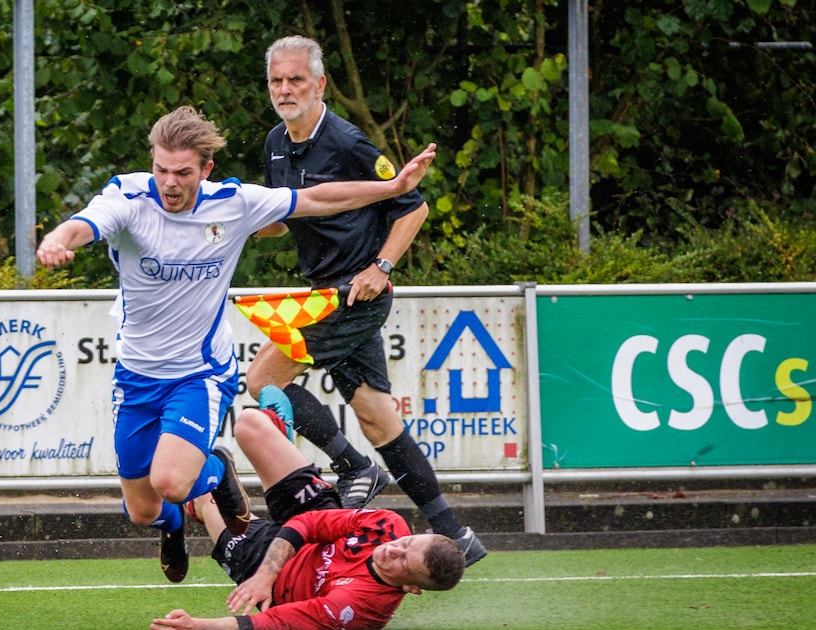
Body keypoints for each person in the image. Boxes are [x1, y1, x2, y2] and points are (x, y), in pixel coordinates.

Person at [36, 105, 439, 583]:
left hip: (200, 372)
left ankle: (213, 473)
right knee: (144, 509)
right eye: (161, 169)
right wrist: (59, 240)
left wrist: (391, 189)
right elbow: (84, 223)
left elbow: (317, 198)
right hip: (137, 374)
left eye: (182, 173)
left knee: (169, 480)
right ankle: (178, 521)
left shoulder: (232, 203)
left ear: (205, 170)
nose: (169, 182)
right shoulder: (128, 196)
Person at [245, 35, 486, 566]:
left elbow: (412, 208)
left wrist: (381, 267)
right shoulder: (274, 143)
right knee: (378, 416)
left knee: (262, 381)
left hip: (354, 295)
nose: (285, 90)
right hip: (322, 293)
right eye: (276, 81)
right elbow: (283, 219)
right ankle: (455, 533)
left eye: (296, 80)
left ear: (320, 84)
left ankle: (353, 467)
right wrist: (231, 226)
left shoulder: (349, 142)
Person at [151, 407, 465, 630]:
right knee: (248, 422)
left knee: (203, 503)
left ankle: (190, 507)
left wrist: (197, 625)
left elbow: (272, 622)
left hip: (275, 579)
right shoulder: (389, 527)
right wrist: (265, 576)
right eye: (407, 543)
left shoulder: (357, 609)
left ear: (411, 589)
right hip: (310, 520)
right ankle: (276, 426)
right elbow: (308, 524)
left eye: (403, 563)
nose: (392, 549)